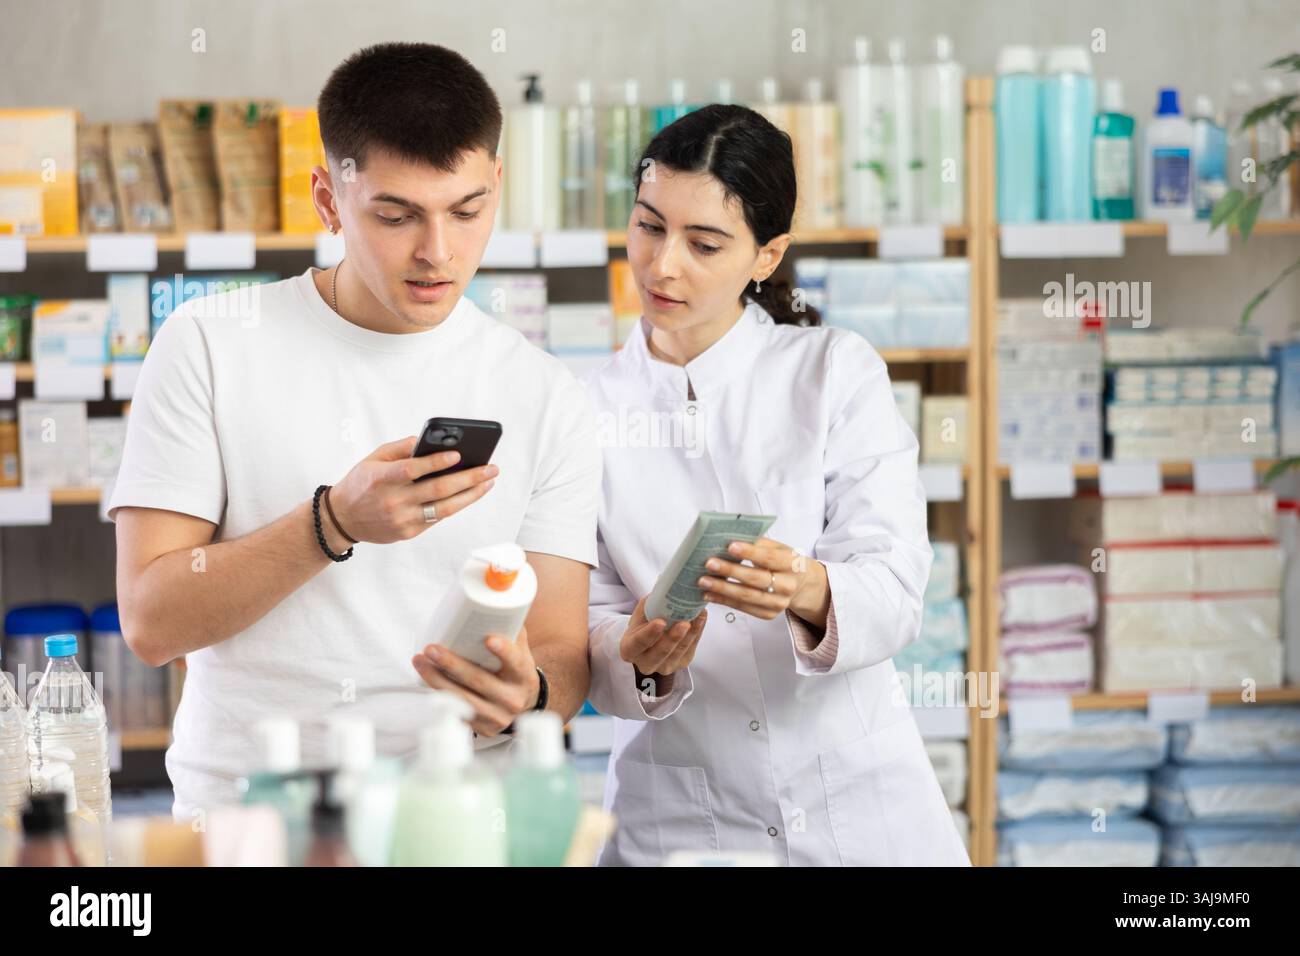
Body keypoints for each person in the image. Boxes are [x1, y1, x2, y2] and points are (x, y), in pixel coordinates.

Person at [110, 43, 599, 821]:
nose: (437, 252)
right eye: (396, 215)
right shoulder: (210, 343)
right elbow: (149, 621)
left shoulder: (544, 393)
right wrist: (330, 523)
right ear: (329, 200)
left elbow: (563, 654)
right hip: (259, 816)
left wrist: (530, 695)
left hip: (467, 815)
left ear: (498, 186)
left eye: (467, 211)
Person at [584, 104, 969, 866]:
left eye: (705, 242)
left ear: (768, 255)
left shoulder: (833, 371)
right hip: (680, 818)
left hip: (859, 808)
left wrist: (807, 588)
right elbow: (584, 627)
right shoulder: (581, 409)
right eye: (650, 226)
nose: (664, 265)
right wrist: (633, 654)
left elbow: (896, 587)